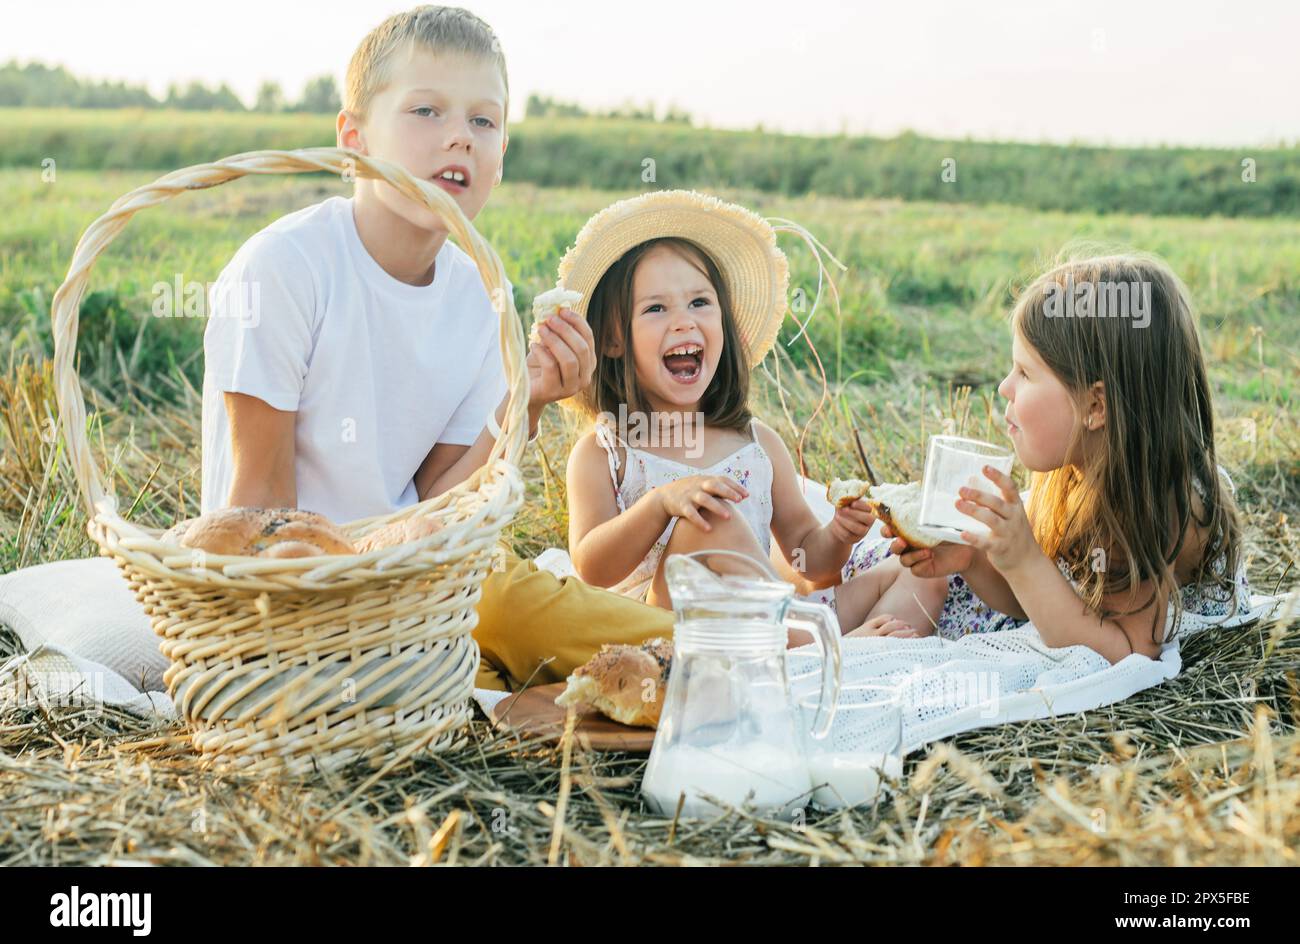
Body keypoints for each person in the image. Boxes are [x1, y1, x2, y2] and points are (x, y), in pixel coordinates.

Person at [199, 5, 674, 692]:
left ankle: (718, 646)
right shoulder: (284, 268)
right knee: (501, 604)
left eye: (484, 121)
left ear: (502, 153)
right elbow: (258, 506)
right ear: (353, 138)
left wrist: (526, 402)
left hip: (416, 575)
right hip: (301, 592)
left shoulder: (480, 293)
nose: (460, 137)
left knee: (502, 596)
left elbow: (443, 500)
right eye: (426, 112)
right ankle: (720, 647)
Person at [559, 190, 947, 638]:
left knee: (924, 576)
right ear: (612, 340)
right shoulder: (606, 452)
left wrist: (839, 536)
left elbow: (808, 563)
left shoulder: (756, 443)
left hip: (767, 621)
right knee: (710, 519)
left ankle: (835, 659)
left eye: (700, 302)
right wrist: (661, 504)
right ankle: (828, 650)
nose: (684, 321)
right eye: (656, 308)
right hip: (668, 634)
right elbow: (593, 567)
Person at [881, 252, 1251, 662]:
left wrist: (1022, 560)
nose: (1005, 387)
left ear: (1096, 407)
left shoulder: (1148, 506)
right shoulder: (1078, 470)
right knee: (887, 573)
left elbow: (1127, 653)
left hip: (1125, 633)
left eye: (1025, 373)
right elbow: (1038, 602)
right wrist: (974, 560)